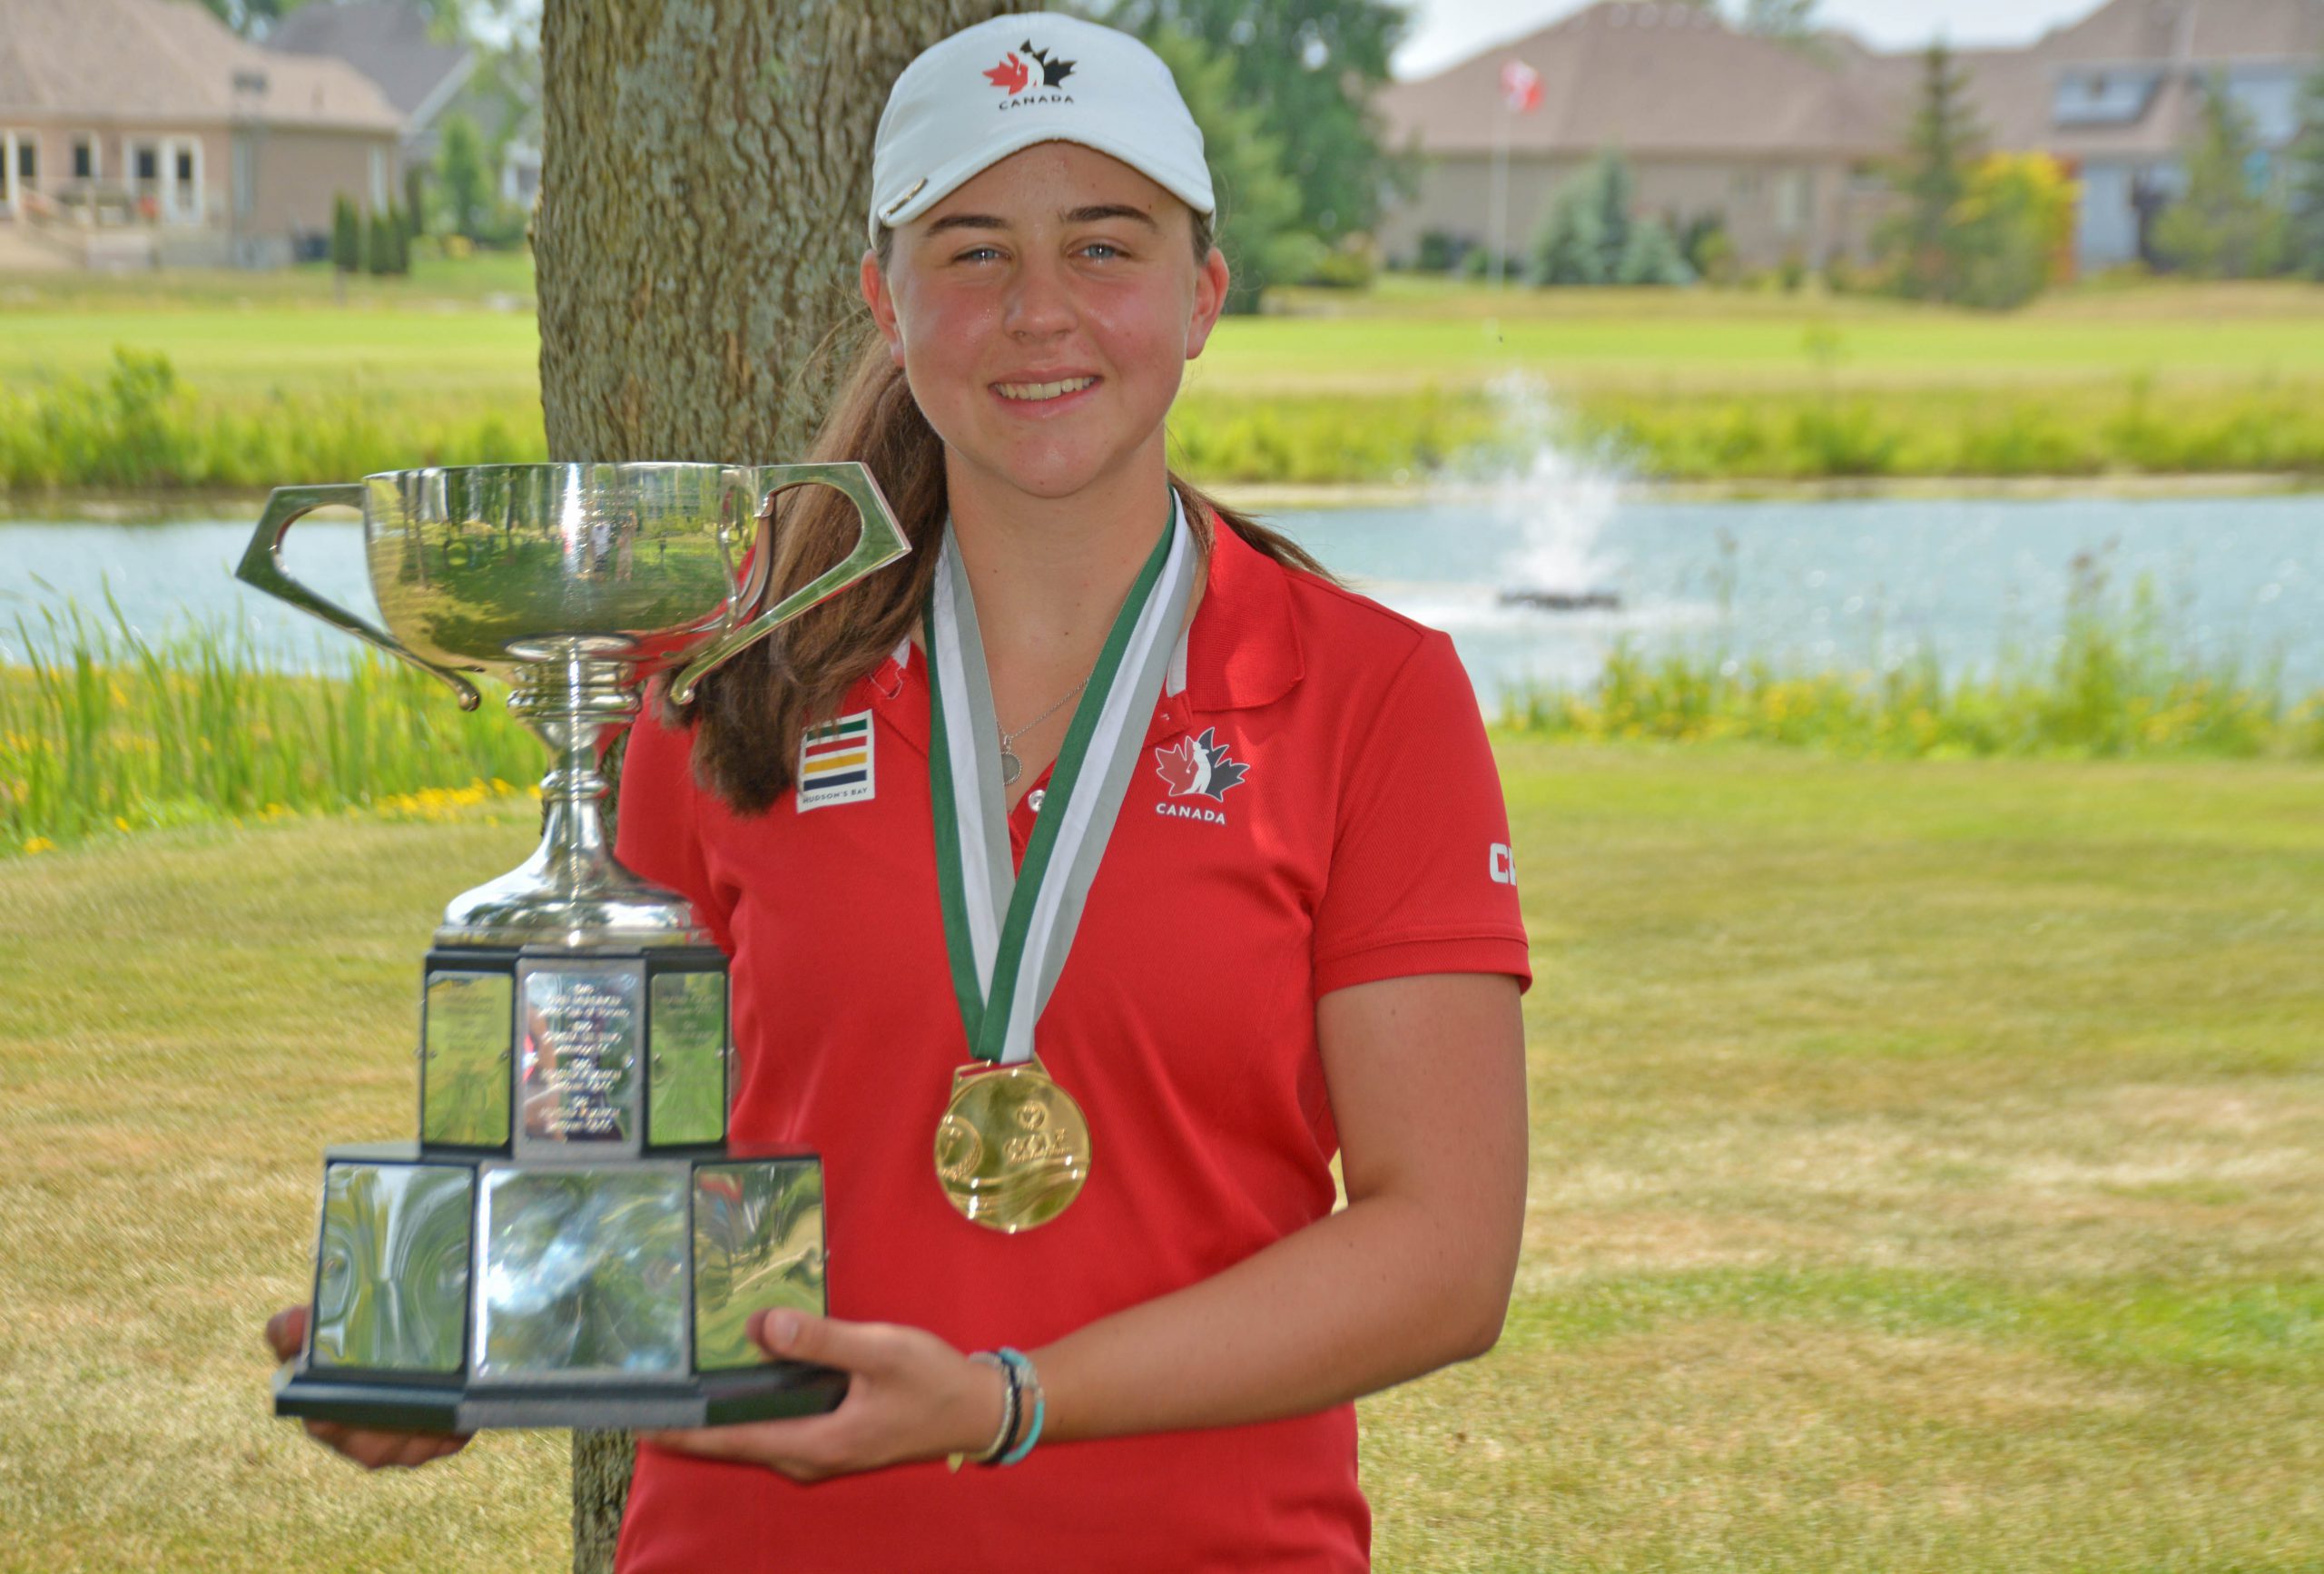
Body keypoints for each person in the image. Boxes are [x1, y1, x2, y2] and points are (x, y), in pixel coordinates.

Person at [267, 13, 1530, 1570]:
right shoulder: (732, 690)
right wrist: (462, 1348)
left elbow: (1445, 1252)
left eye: (1105, 247)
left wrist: (1006, 1398)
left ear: (1204, 296)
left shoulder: (1373, 694)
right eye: (975, 251)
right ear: (886, 296)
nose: (1040, 313)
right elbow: (606, 1185)